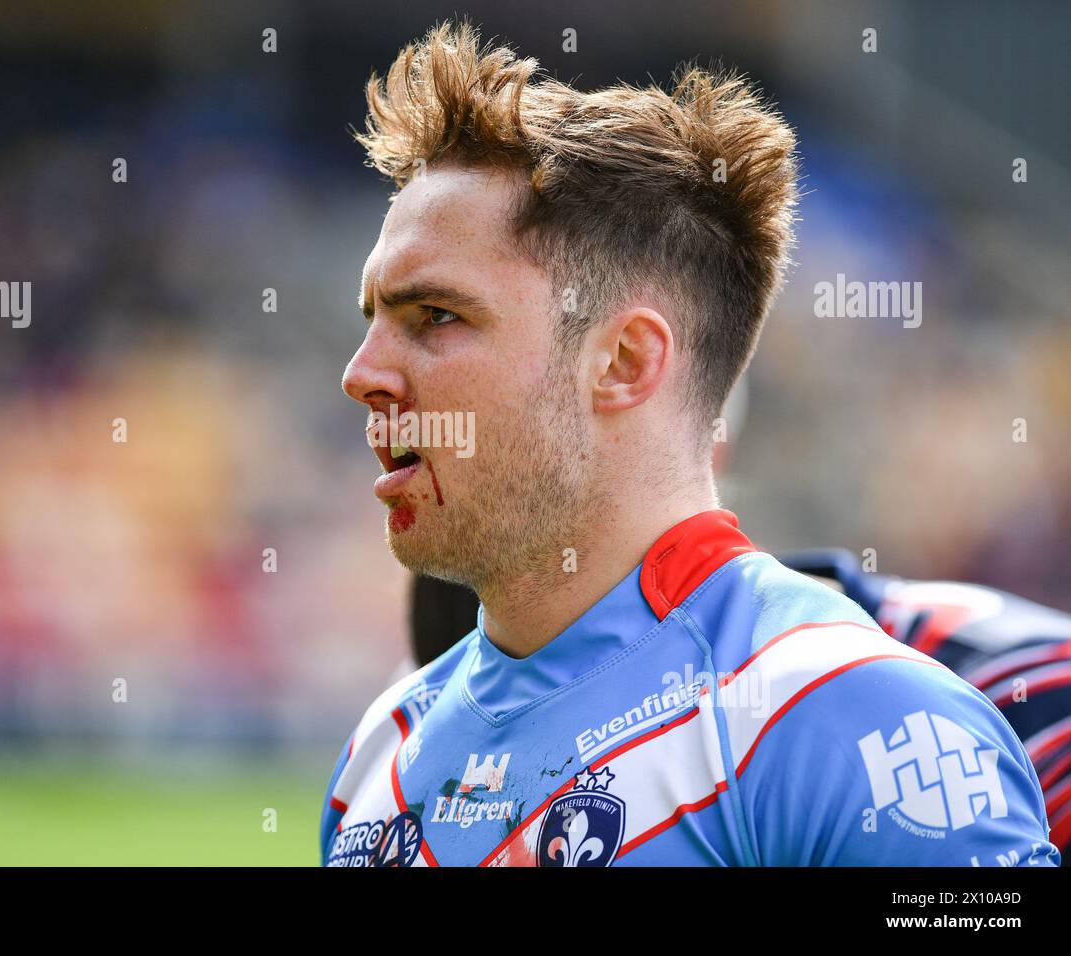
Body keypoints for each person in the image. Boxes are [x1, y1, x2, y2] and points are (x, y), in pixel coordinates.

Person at [321, 20, 1059, 866]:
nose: (361, 372)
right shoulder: (381, 754)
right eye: (372, 319)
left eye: (436, 316)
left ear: (625, 361)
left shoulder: (843, 718)